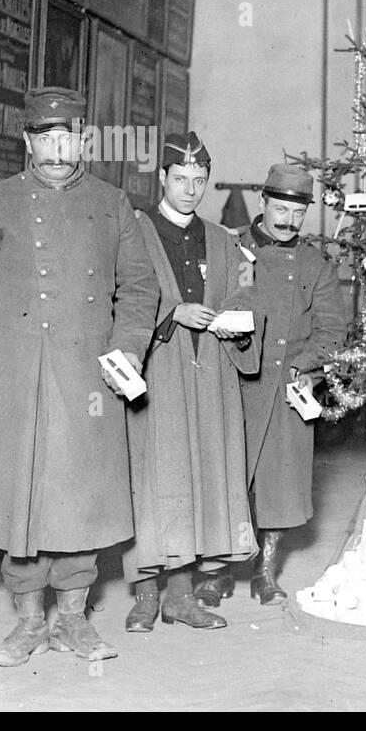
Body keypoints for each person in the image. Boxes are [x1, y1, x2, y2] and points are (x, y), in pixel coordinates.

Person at [0, 86, 159, 666]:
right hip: (12, 376)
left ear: (84, 138)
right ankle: (28, 623)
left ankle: (74, 621)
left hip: (88, 379)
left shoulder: (113, 204)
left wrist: (126, 352)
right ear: (29, 141)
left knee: (80, 503)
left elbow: (141, 290)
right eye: (46, 137)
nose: (59, 149)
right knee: (18, 502)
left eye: (69, 136)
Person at [122, 133, 261, 632]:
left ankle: (179, 595)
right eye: (180, 179)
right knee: (153, 479)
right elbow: (120, 300)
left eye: (199, 181)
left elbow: (244, 302)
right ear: (161, 178)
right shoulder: (134, 232)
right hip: (156, 368)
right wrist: (172, 313)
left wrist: (235, 322)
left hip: (210, 372)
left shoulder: (223, 240)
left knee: (196, 478)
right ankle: (143, 595)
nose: (189, 189)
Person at [195, 164, 349, 608]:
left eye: (297, 214)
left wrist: (307, 368)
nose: (287, 221)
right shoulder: (229, 248)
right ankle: (217, 572)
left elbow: (332, 330)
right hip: (234, 382)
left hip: (288, 385)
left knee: (280, 485)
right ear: (262, 203)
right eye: (280, 209)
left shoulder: (315, 264)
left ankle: (266, 571)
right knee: (226, 476)